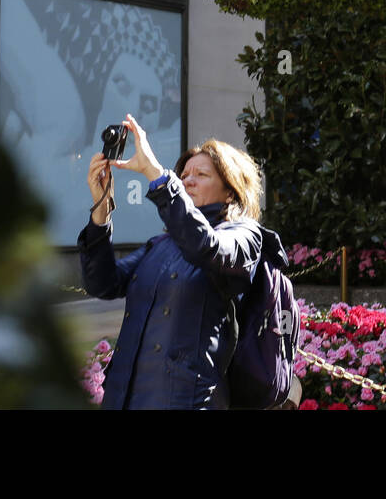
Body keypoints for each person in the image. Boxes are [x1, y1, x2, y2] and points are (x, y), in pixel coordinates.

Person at [77, 114, 263, 409]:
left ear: (230, 190)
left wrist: (154, 173)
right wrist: (102, 210)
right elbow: (104, 283)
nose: (187, 180)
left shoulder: (245, 235)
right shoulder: (162, 244)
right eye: (184, 174)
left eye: (201, 175)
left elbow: (206, 246)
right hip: (124, 398)